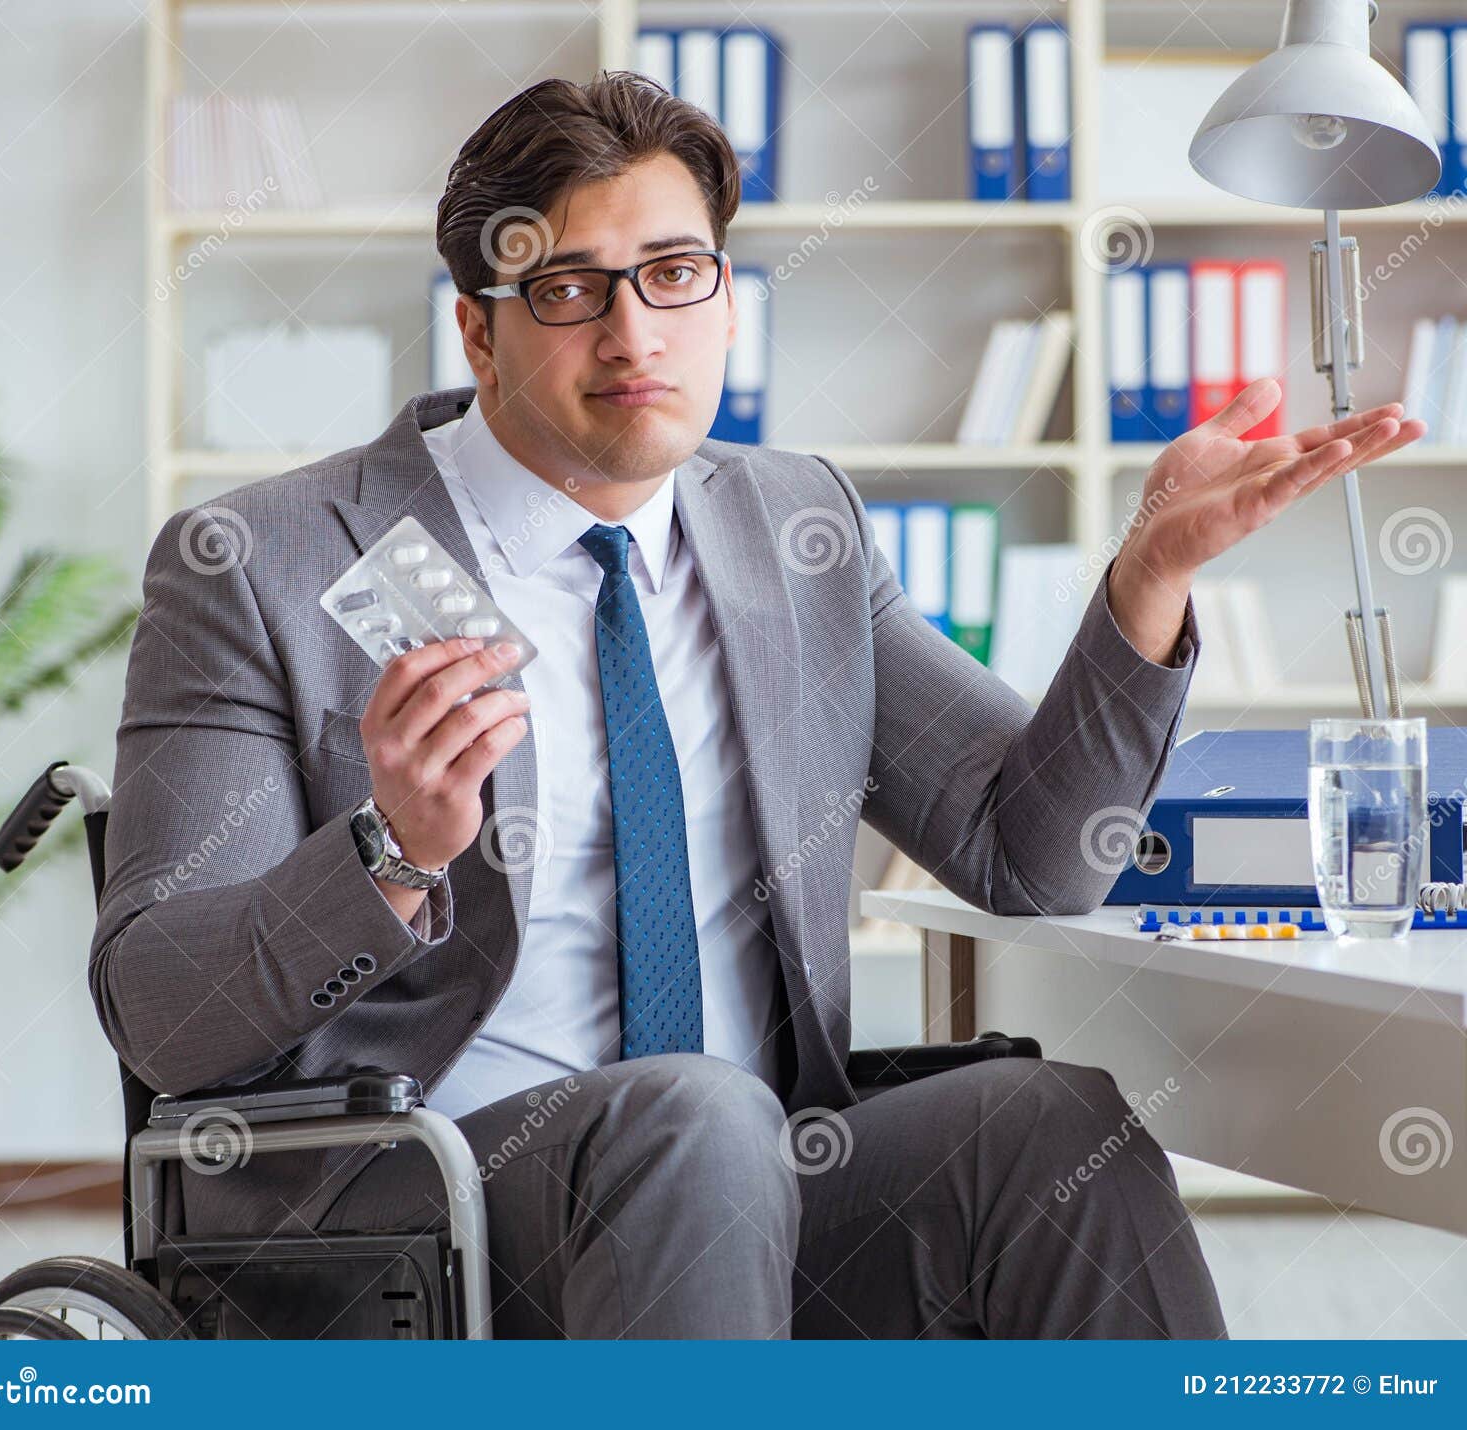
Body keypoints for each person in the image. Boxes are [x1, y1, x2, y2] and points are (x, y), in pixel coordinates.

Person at [90, 72, 1424, 1339]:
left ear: (727, 300)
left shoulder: (798, 530)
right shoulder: (269, 560)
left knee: (1053, 1126)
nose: (634, 335)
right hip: (423, 1217)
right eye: (570, 289)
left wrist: (1146, 584)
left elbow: (1032, 853)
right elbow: (160, 1011)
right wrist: (389, 851)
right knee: (694, 1122)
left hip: (760, 1185)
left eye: (676, 274)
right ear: (480, 331)